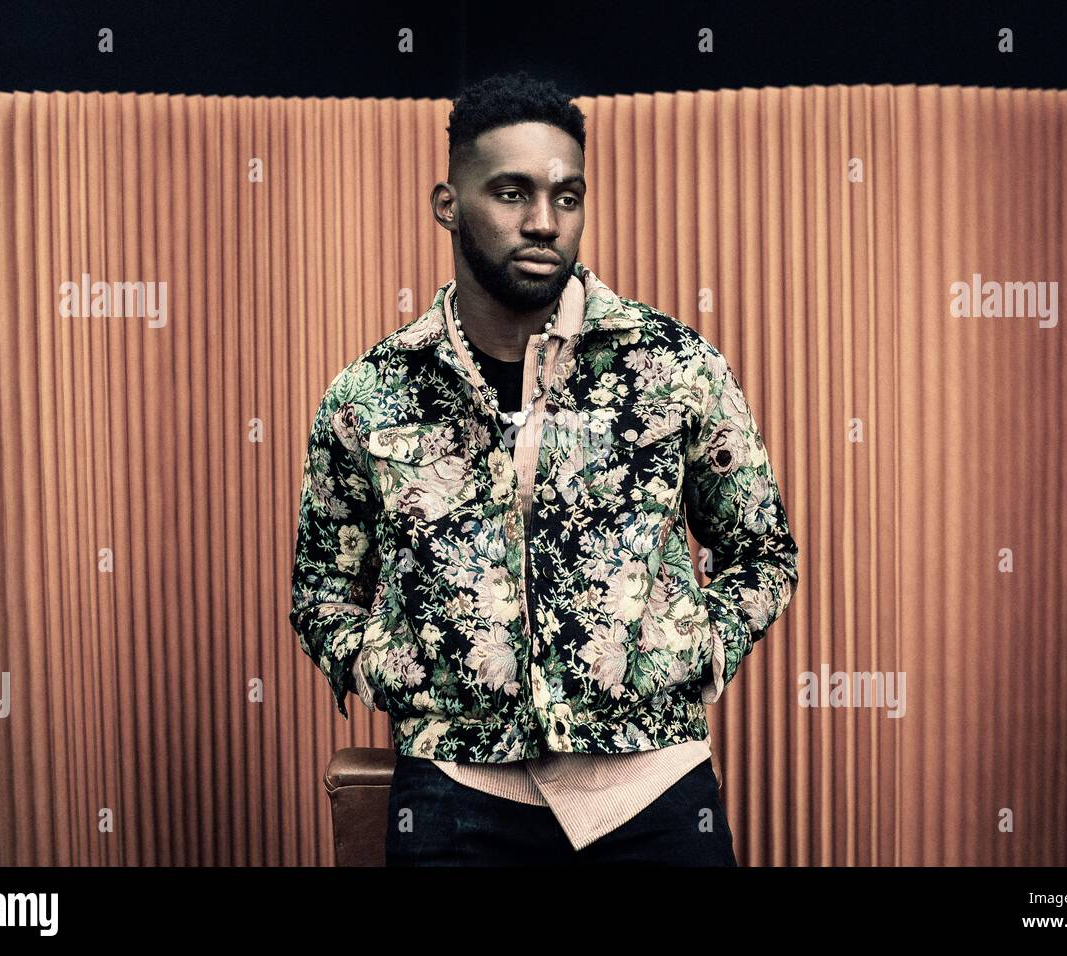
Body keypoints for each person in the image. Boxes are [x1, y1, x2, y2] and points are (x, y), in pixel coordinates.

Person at [289, 70, 798, 866]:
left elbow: (763, 553)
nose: (543, 222)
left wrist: (692, 648)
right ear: (447, 204)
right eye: (511, 192)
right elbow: (321, 589)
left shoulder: (673, 367)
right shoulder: (371, 394)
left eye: (567, 196)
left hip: (653, 785)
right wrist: (391, 667)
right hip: (457, 793)